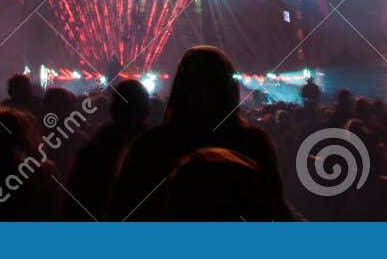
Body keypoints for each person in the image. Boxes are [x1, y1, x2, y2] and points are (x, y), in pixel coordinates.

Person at [111, 46, 286, 220]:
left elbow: (121, 212)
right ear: (229, 89)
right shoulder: (254, 143)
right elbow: (276, 211)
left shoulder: (150, 146)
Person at [66, 78, 150, 219]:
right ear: (146, 109)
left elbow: (76, 193)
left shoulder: (98, 143)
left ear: (113, 108)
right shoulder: (155, 145)